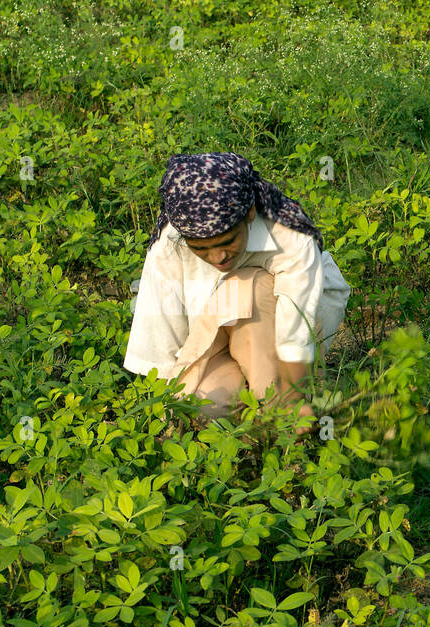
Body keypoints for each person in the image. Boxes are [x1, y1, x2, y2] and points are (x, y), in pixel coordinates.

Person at [123, 152, 351, 434]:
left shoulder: (289, 237)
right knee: (202, 406)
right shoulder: (168, 245)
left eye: (227, 241)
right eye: (200, 248)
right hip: (215, 332)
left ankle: (276, 405)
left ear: (250, 214)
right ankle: (255, 412)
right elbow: (162, 340)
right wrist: (166, 414)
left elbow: (297, 322)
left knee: (248, 288)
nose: (217, 257)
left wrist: (292, 393)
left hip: (287, 326)